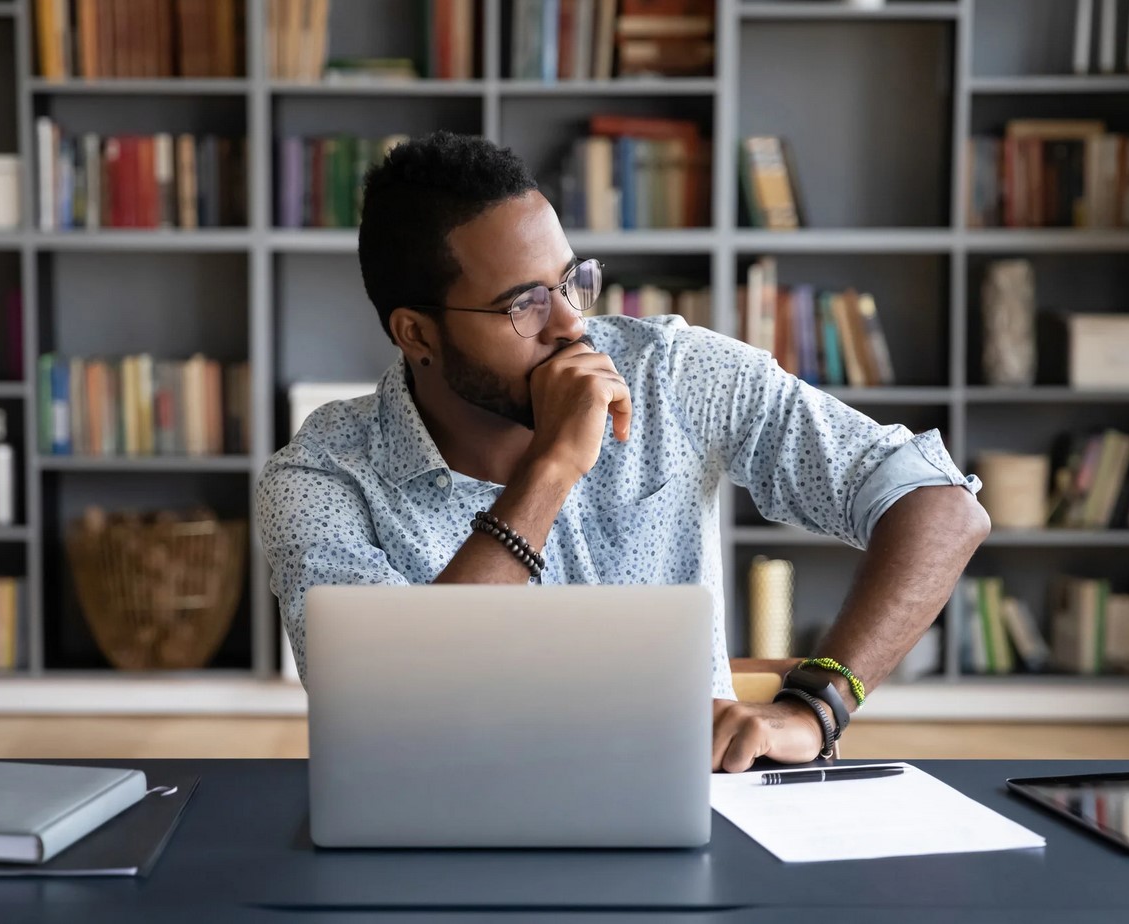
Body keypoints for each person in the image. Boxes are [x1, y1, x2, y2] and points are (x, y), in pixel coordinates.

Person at [257, 131, 990, 773]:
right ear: (415, 333)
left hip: (694, 801)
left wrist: (819, 705)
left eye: (571, 280)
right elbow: (384, 712)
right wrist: (551, 469)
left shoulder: (670, 372)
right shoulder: (320, 479)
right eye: (523, 304)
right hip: (454, 826)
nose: (573, 326)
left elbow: (942, 506)